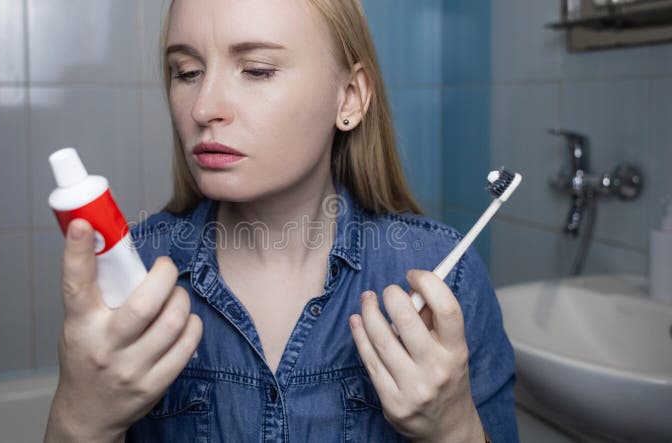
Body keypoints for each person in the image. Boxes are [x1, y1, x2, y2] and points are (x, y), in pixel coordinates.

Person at [44, 0, 518, 442]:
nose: (203, 108)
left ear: (349, 98)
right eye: (185, 71)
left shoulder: (444, 275)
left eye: (257, 70)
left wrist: (452, 427)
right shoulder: (133, 274)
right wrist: (80, 418)